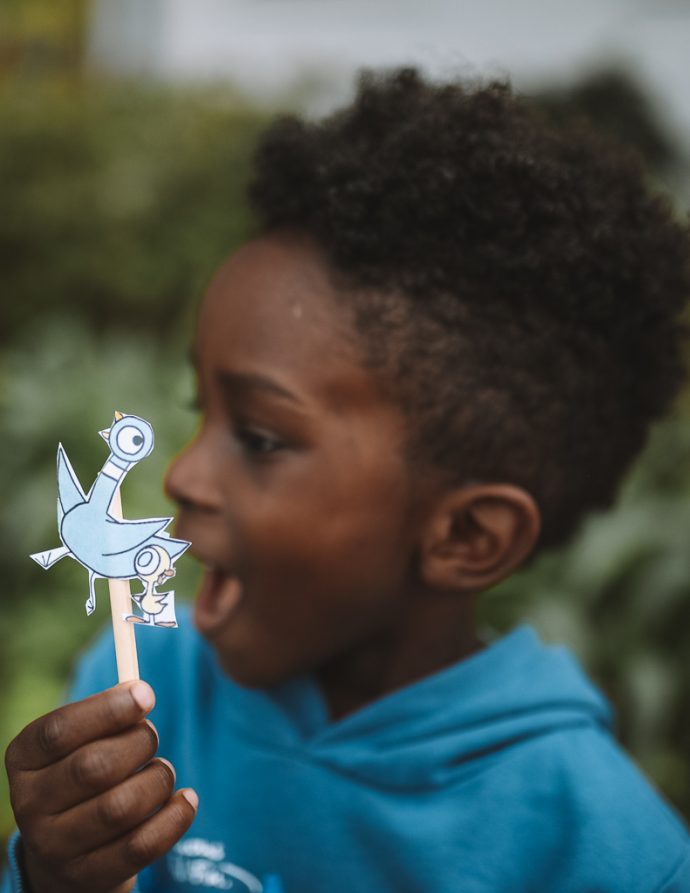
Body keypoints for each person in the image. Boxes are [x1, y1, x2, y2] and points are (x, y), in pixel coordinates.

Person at [3, 67, 690, 893]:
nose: (183, 472)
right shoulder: (142, 692)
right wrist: (50, 876)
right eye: (200, 411)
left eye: (258, 436)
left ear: (465, 536)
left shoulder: (608, 853)